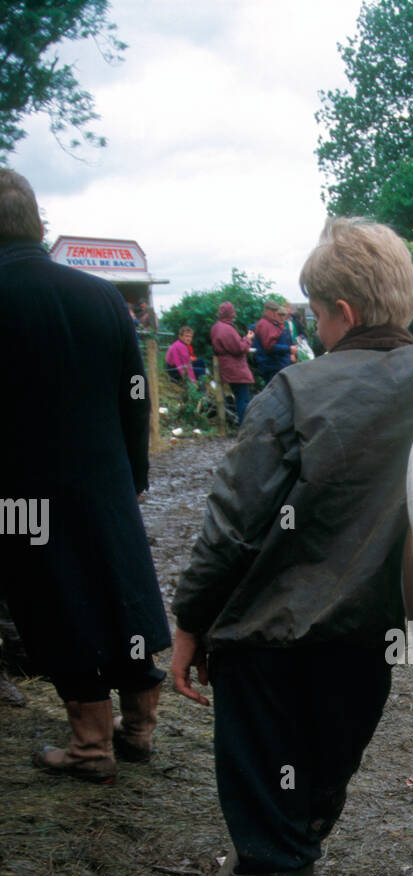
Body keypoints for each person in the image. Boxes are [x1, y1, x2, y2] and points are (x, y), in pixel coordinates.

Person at [163, 217, 413, 876]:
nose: (309, 324)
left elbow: (232, 524)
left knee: (278, 819)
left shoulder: (293, 391)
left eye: (312, 310)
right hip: (364, 644)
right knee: (304, 806)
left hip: (265, 643)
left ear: (337, 309)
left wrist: (189, 621)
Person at [0, 170, 170, 780]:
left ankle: (91, 748)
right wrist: (135, 472)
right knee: (117, 592)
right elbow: (136, 395)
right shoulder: (100, 295)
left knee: (57, 602)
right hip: (106, 481)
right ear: (39, 223)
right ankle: (141, 728)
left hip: (20, 493)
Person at [210, 302, 255, 425]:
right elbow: (239, 348)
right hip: (236, 368)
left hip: (226, 366)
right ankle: (245, 428)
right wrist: (248, 339)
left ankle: (243, 427)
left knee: (239, 397)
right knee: (243, 399)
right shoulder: (227, 329)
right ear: (231, 313)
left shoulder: (216, 327)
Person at [252, 301, 296, 384]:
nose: (276, 314)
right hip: (271, 367)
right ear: (266, 311)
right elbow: (269, 347)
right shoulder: (264, 325)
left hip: (277, 366)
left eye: (276, 311)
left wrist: (291, 353)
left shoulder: (272, 324)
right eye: (273, 311)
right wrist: (288, 349)